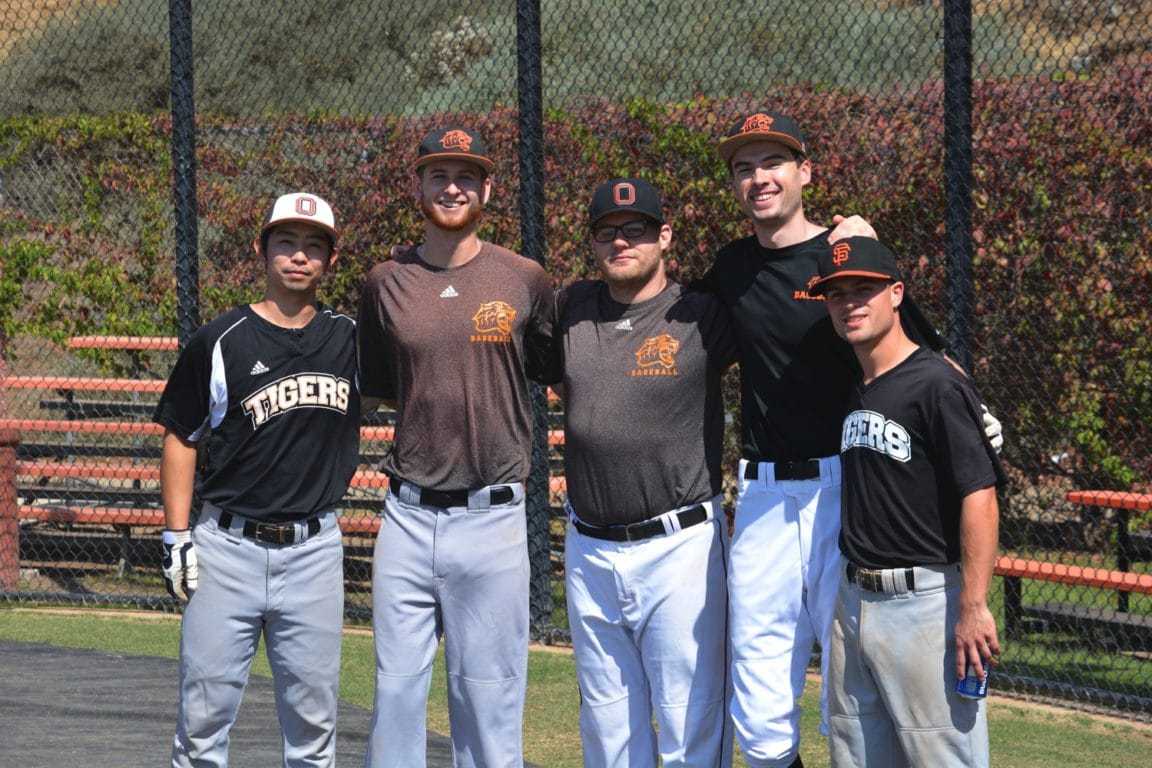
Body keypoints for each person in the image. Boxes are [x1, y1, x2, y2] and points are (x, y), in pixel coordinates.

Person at [695, 110, 1002, 768]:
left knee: (854, 692)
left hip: (846, 488)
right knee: (759, 710)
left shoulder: (843, 257)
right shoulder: (731, 267)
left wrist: (972, 410)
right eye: (744, 167)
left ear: (805, 172)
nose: (759, 178)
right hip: (762, 494)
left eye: (774, 162)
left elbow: (920, 352)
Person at [356, 126, 556, 768]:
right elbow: (376, 389)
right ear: (416, 186)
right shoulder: (385, 281)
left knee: (489, 701)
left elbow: (554, 369)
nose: (452, 187)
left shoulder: (524, 277)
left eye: (466, 176)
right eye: (438, 175)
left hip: (493, 516)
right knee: (395, 695)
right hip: (407, 517)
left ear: (487, 190)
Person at [155, 192, 360, 767]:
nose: (299, 255)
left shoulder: (351, 340)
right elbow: (181, 436)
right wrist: (177, 535)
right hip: (227, 549)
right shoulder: (221, 339)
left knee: (314, 730)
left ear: (331, 259)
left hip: (314, 551)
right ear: (261, 250)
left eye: (314, 245)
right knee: (202, 725)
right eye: (286, 242)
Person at [551, 178, 735, 767]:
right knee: (608, 729)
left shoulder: (701, 312)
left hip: (679, 547)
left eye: (636, 230)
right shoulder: (572, 310)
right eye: (607, 232)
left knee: (689, 724)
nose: (621, 242)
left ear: (665, 236)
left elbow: (786, 308)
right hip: (590, 549)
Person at [808, 236, 1004, 767]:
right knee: (854, 756)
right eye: (836, 294)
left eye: (864, 289)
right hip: (853, 601)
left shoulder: (937, 384)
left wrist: (973, 607)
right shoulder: (856, 384)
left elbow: (980, 496)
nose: (850, 303)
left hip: (925, 604)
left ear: (897, 294)